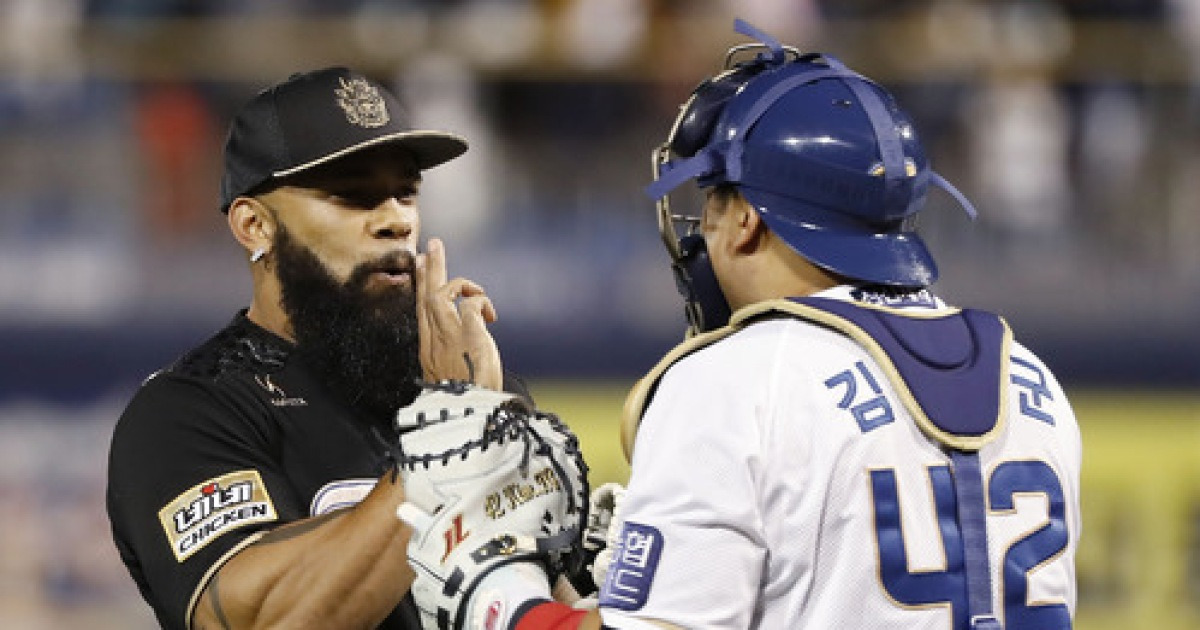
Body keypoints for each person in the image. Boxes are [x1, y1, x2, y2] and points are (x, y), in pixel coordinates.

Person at [409, 20, 1082, 630]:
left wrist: (501, 597)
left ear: (750, 218)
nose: (703, 222)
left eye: (713, 198)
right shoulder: (1031, 378)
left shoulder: (736, 378)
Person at [106, 66, 517, 630]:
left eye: (405, 193)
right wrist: (448, 441)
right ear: (254, 226)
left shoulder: (476, 390)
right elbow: (266, 621)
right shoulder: (188, 413)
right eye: (353, 197)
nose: (395, 219)